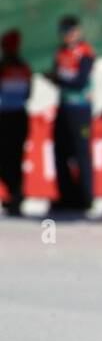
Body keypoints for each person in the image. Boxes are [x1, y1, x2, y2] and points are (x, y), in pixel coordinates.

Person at [46, 15, 95, 211]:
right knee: (60, 153)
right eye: (64, 32)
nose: (68, 36)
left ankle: (85, 199)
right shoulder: (61, 53)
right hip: (64, 108)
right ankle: (67, 197)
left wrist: (58, 80)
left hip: (81, 109)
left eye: (71, 31)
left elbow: (80, 82)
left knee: (82, 154)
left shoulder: (85, 52)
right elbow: (58, 75)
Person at [0, 29, 32, 216]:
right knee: (15, 157)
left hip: (8, 116)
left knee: (8, 157)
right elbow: (28, 93)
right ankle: (15, 194)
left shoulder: (5, 67)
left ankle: (15, 195)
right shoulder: (24, 67)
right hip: (19, 116)